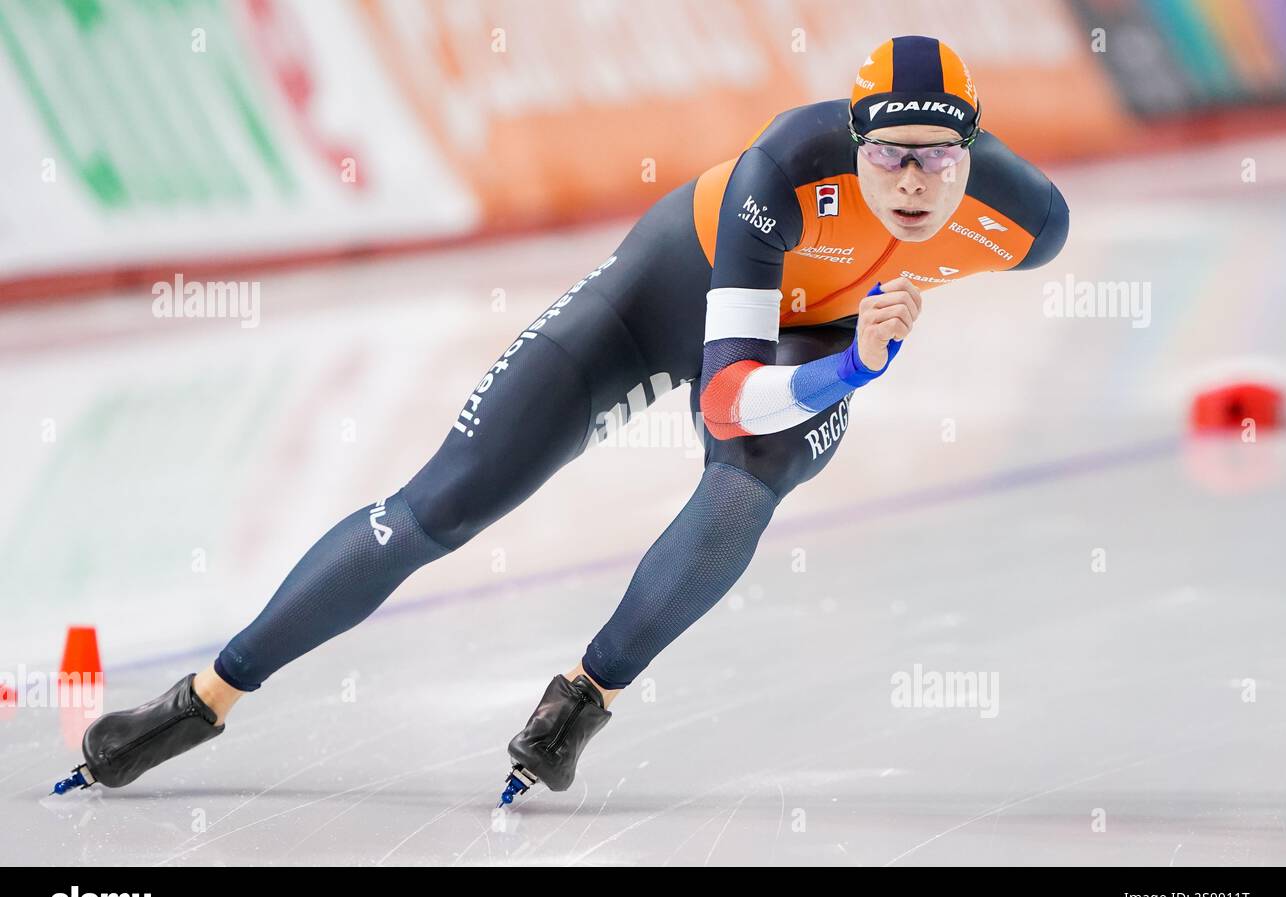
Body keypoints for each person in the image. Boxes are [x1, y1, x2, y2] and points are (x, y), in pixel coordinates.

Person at [54, 35, 1068, 804]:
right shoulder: (784, 171)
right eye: (889, 154)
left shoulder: (1028, 226)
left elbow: (745, 427)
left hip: (820, 335)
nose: (911, 182)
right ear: (853, 148)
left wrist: (845, 356)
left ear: (975, 154)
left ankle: (586, 693)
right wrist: (857, 364)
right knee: (437, 507)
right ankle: (203, 697)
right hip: (673, 288)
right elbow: (723, 394)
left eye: (938, 159)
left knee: (743, 484)